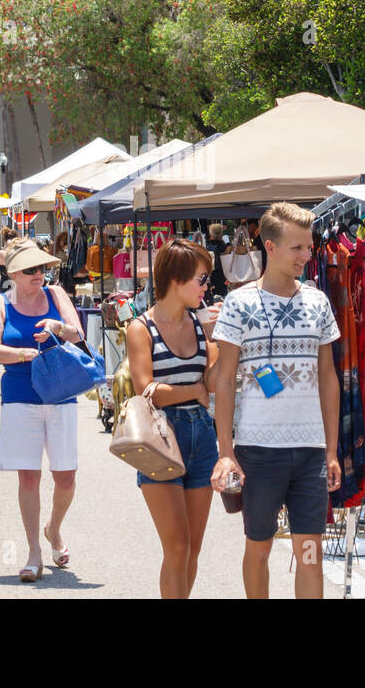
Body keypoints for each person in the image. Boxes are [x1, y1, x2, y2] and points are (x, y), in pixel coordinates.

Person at [210, 202, 342, 600]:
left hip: (310, 452)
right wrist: (226, 453)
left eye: (309, 246)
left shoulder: (318, 302)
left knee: (309, 551)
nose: (307, 255)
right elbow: (226, 381)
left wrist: (331, 450)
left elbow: (328, 378)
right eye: (298, 247)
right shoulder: (239, 304)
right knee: (259, 545)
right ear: (270, 246)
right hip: (259, 450)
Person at [0, 237, 85, 582]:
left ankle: (54, 529)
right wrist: (27, 354)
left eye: (42, 267)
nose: (39, 274)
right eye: (30, 269)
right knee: (28, 476)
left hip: (59, 392)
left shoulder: (57, 295)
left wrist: (58, 328)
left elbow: (78, 334)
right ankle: (34, 553)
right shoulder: (0, 303)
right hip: (19, 396)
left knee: (66, 476)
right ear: (13, 272)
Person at [125, 238, 221, 598]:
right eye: (201, 279)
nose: (206, 287)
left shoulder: (200, 324)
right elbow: (146, 390)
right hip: (161, 437)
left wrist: (219, 339)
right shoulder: (141, 328)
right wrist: (194, 391)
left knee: (192, 550)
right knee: (177, 548)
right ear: (176, 280)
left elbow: (211, 383)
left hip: (201, 435)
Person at [205, 223, 229, 301]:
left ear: (211, 233)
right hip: (222, 278)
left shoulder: (206, 246)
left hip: (209, 278)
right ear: (221, 233)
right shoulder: (225, 247)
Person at [0, 226, 17, 293]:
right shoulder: (1, 253)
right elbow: (11, 268)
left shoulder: (13, 251)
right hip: (6, 286)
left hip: (15, 286)